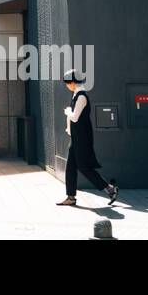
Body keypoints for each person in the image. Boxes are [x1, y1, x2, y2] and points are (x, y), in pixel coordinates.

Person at [57, 69, 119, 206]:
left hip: (82, 138)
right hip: (76, 137)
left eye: (67, 83)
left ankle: (109, 188)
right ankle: (71, 197)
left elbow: (75, 116)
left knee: (83, 167)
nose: (67, 85)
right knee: (70, 167)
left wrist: (67, 111)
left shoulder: (81, 97)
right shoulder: (76, 95)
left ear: (73, 82)